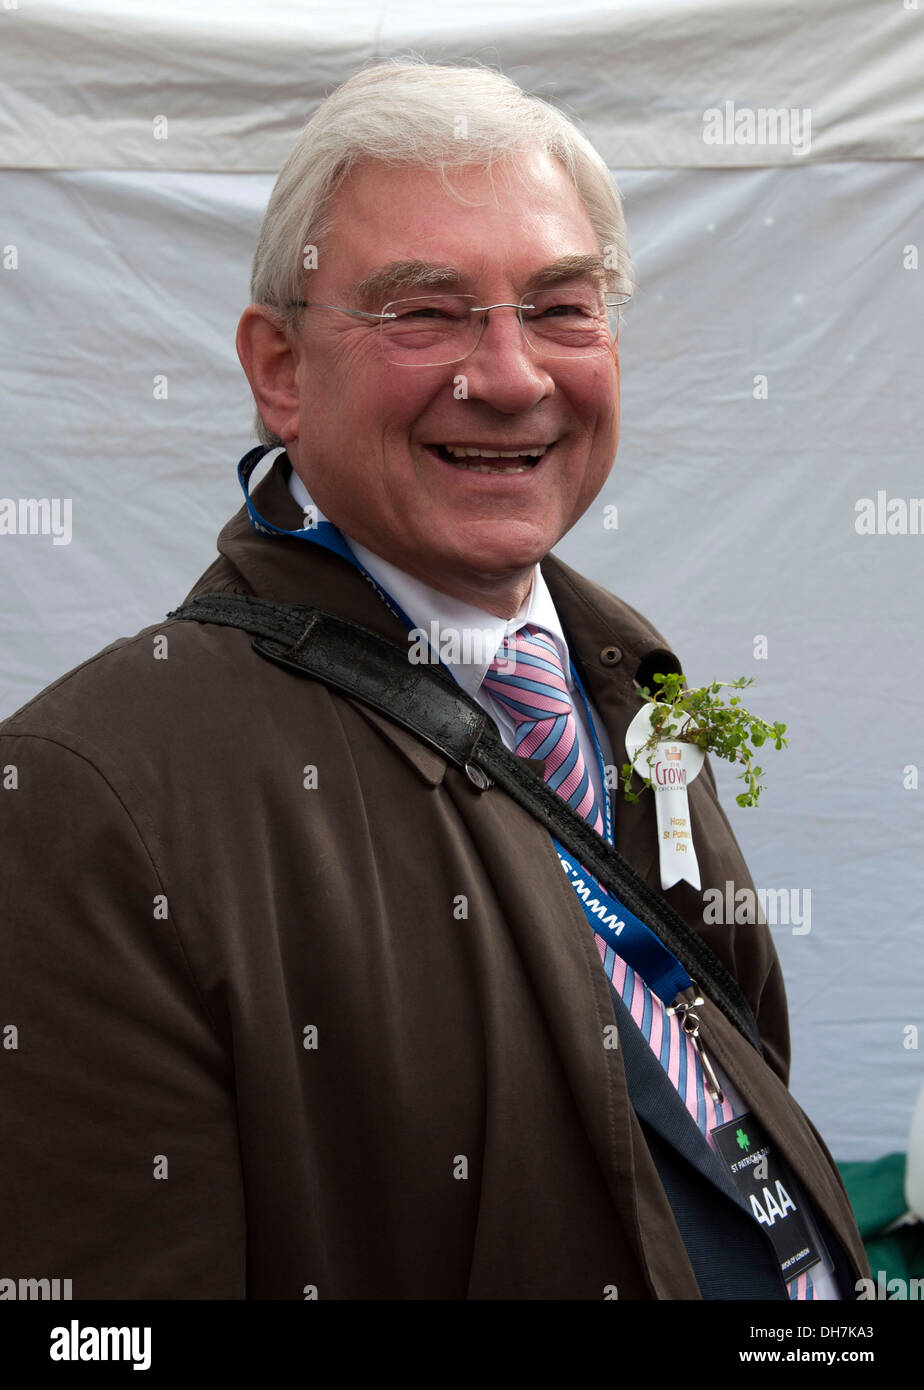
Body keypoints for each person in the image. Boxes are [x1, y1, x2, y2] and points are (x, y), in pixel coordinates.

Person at [0, 58, 866, 1300]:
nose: (511, 377)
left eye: (562, 307)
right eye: (426, 312)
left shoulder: (631, 683)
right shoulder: (86, 800)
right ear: (281, 369)